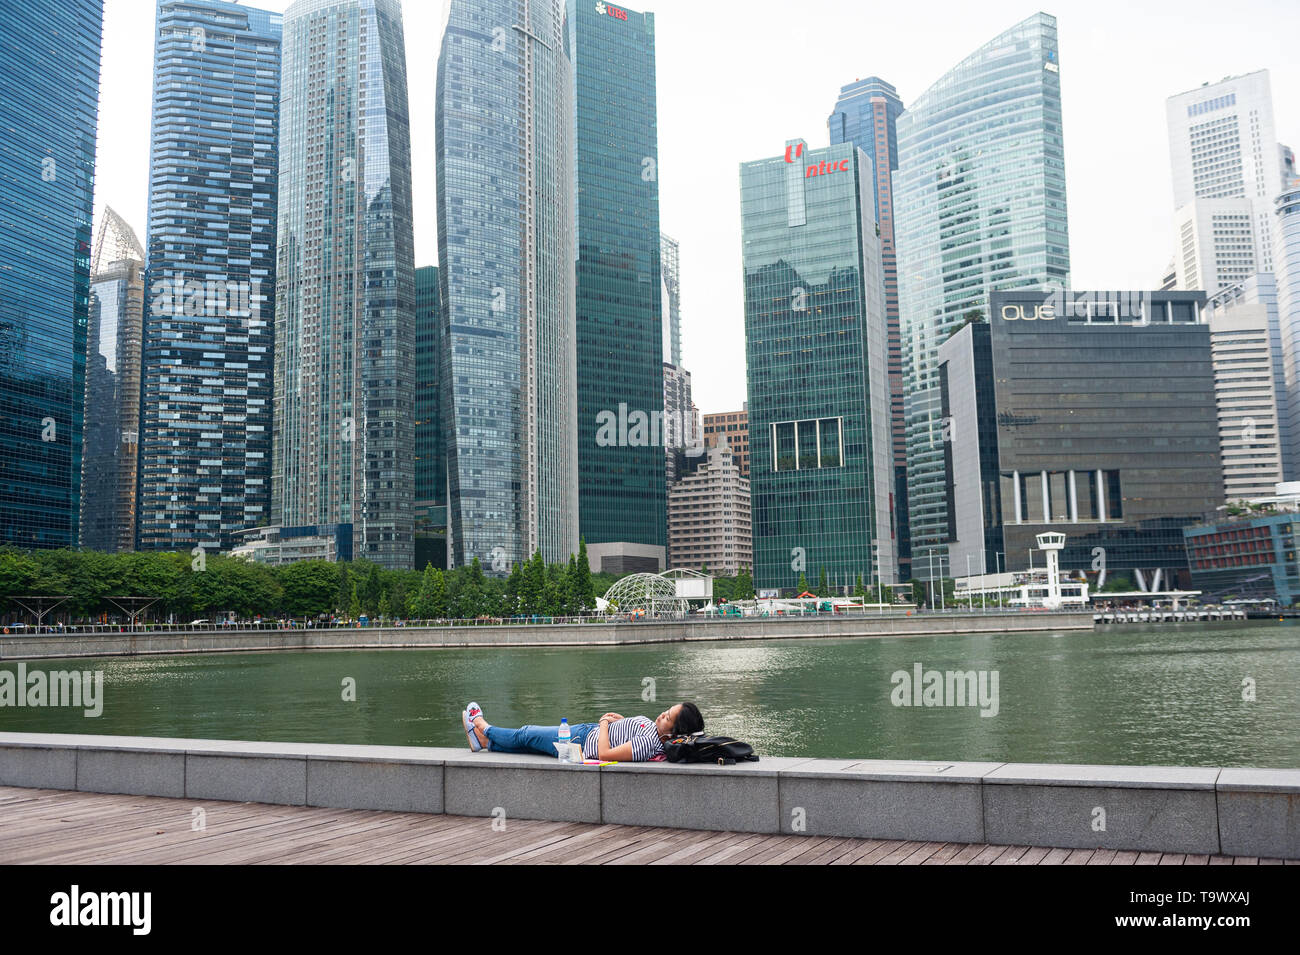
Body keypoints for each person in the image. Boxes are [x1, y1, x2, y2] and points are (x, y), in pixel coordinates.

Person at [462, 700, 704, 762]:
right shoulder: (651, 731)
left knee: (526, 734)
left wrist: (604, 724)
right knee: (528, 746)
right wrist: (620, 720)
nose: (662, 714)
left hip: (581, 742)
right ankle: (484, 743)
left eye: (668, 718)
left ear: (673, 734)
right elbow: (628, 732)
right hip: (585, 733)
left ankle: (482, 726)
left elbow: (605, 755)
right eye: (666, 710)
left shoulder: (649, 744)